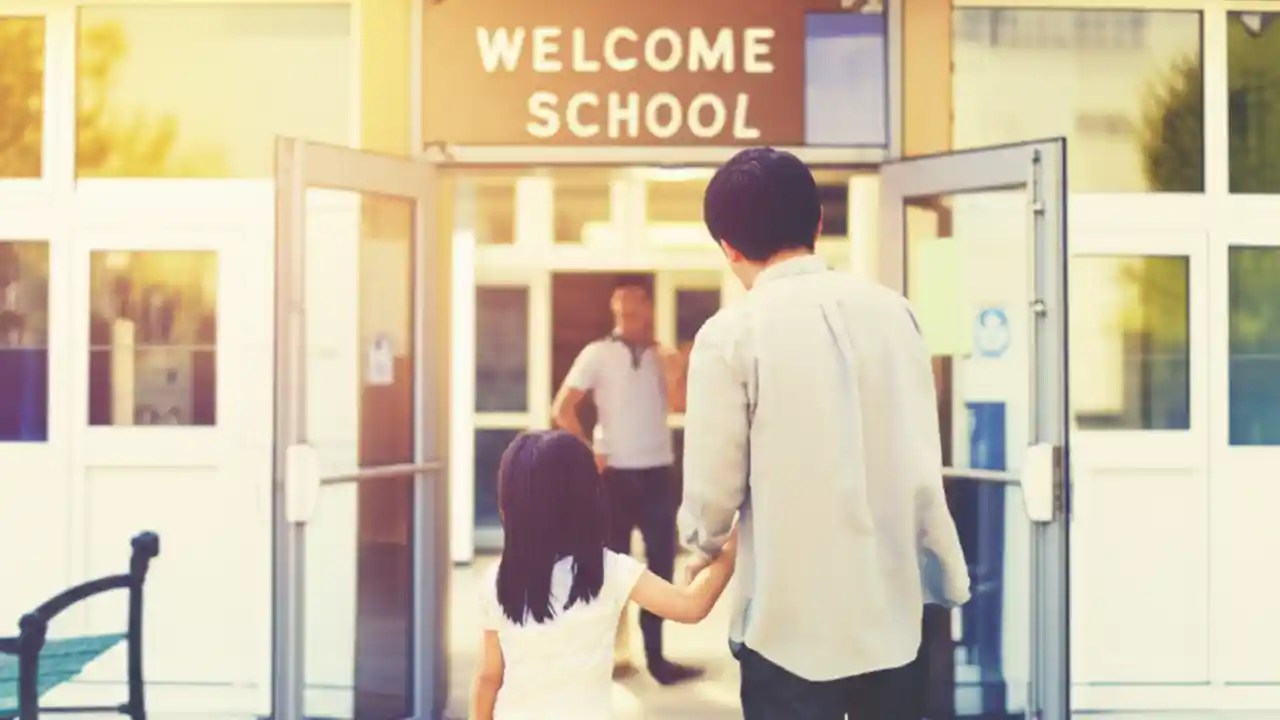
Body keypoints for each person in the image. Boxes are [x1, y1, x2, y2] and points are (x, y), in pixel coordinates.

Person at [678, 147, 972, 719]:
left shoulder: (730, 334)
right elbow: (917, 455)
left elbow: (713, 495)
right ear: (818, 222)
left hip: (788, 631)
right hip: (894, 619)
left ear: (727, 247)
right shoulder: (897, 315)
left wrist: (705, 543)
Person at [470, 430, 737, 720]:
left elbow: (489, 677)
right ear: (588, 499)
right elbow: (691, 605)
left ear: (508, 505)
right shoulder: (608, 570)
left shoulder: (497, 580)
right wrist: (735, 543)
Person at [550, 284, 700, 685]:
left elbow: (678, 404)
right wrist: (586, 452)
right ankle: (609, 657)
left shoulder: (660, 355)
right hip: (613, 475)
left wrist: (677, 370)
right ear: (613, 308)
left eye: (634, 307)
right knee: (608, 568)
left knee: (662, 567)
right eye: (620, 308)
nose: (627, 314)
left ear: (648, 308)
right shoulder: (596, 353)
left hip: (657, 474)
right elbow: (562, 408)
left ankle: (657, 659)